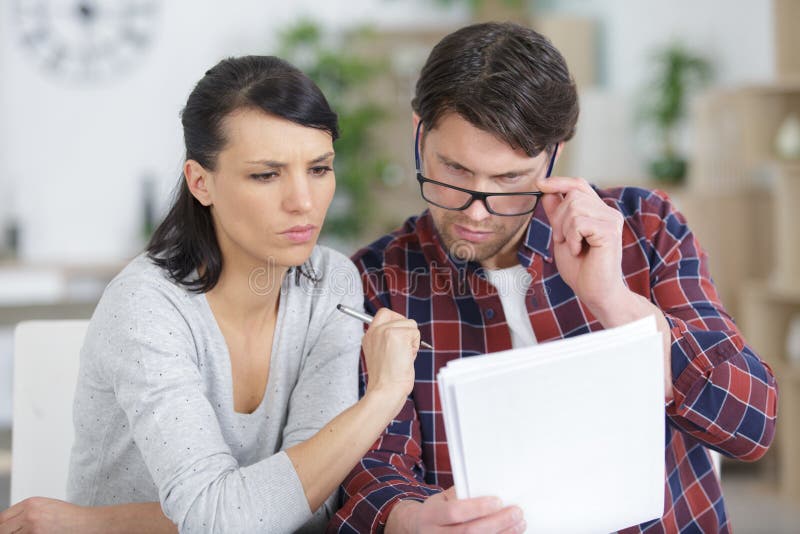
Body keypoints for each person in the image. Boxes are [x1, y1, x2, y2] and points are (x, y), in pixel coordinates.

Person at [330, 22, 779, 534]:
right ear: (419, 133)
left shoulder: (644, 227)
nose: (476, 212)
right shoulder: (378, 279)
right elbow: (373, 468)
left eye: (509, 180)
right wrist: (407, 519)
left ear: (554, 156)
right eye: (453, 171)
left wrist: (614, 302)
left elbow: (751, 426)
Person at [0, 55, 421, 533]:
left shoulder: (331, 283)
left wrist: (98, 523)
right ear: (201, 182)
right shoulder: (145, 306)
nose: (303, 201)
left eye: (319, 169)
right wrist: (384, 394)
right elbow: (227, 519)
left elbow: (313, 505)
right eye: (266, 175)